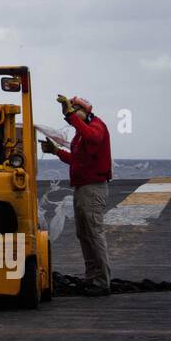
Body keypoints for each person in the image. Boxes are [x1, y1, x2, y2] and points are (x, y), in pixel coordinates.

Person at [42, 94, 113, 295]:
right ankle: (92, 278)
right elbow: (77, 160)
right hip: (83, 187)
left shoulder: (96, 128)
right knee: (84, 234)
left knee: (94, 234)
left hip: (93, 188)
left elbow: (93, 137)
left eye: (72, 110)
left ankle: (101, 282)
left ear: (84, 110)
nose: (68, 115)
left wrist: (71, 114)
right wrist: (56, 151)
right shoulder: (81, 133)